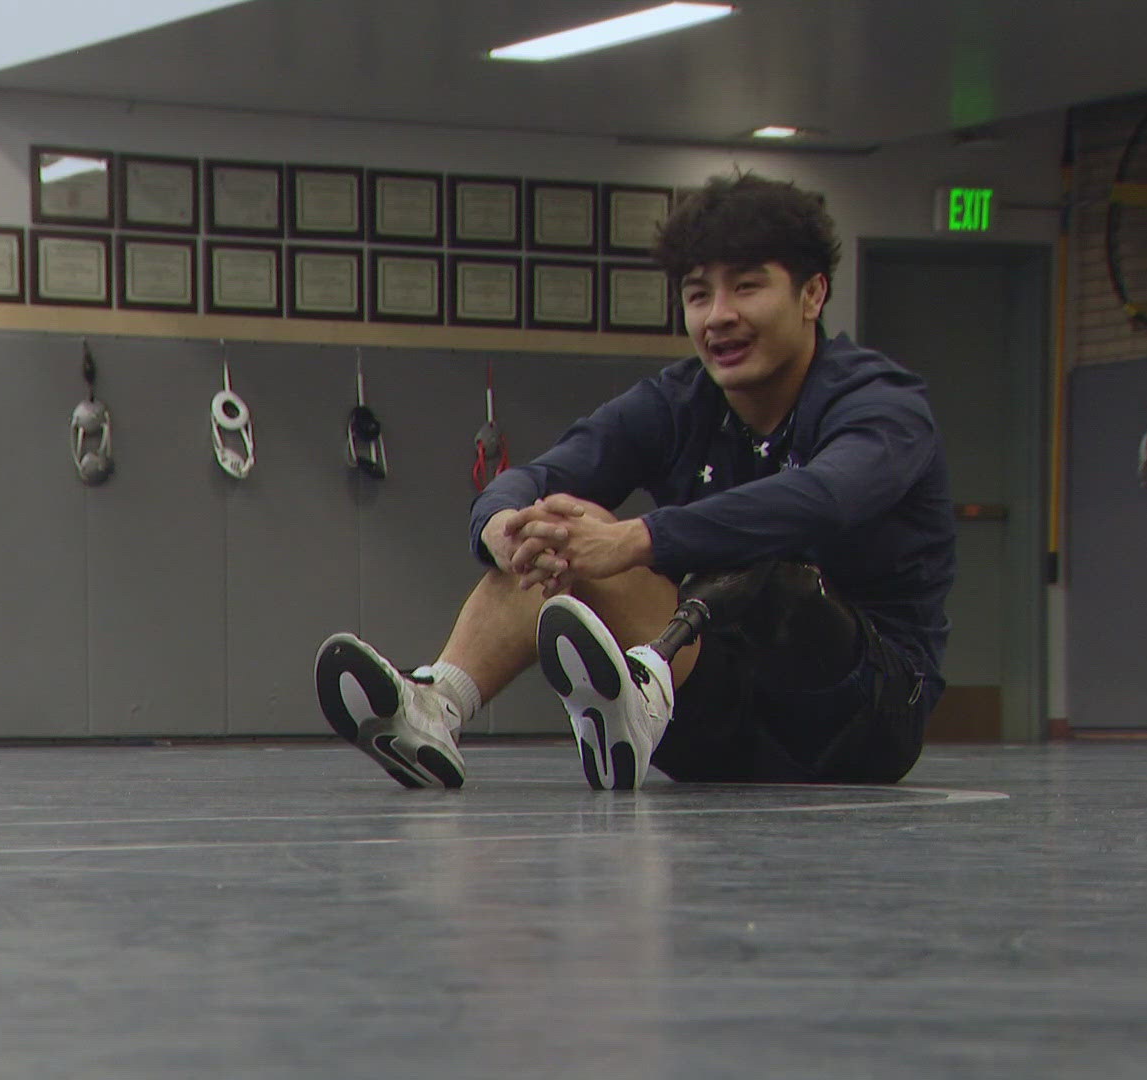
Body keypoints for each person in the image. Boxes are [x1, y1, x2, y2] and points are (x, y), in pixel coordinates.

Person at [314, 172, 953, 791]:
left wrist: (635, 539)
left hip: (855, 722)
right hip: (709, 709)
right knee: (555, 523)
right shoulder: (677, 402)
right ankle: (439, 706)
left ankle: (636, 691)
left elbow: (825, 498)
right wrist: (502, 527)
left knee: (779, 582)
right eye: (699, 295)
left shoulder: (882, 405)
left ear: (812, 295)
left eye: (747, 287)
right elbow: (536, 476)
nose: (719, 316)